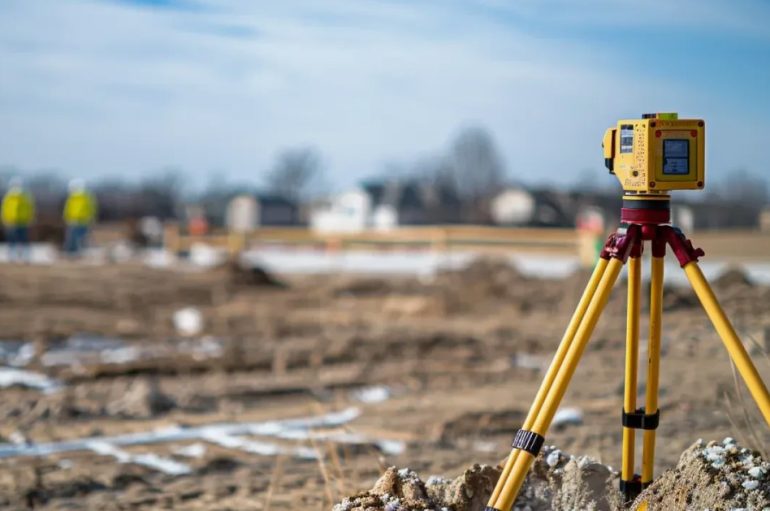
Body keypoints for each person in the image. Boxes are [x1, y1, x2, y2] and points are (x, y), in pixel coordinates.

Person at [1, 178, 35, 262]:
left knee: (23, 239)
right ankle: (12, 255)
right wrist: (5, 219)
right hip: (11, 222)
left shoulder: (26, 197)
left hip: (23, 222)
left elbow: (30, 209)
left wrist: (30, 218)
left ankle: (25, 255)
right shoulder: (8, 197)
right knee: (12, 239)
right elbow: (4, 209)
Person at [63, 179, 97, 255]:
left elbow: (91, 208)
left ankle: (81, 251)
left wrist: (91, 217)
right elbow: (68, 208)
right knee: (74, 237)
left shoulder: (85, 197)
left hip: (83, 220)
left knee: (81, 237)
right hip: (74, 220)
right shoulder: (73, 198)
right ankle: (74, 251)